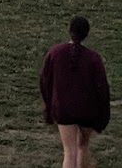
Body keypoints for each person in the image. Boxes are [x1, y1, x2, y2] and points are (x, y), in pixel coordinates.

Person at [41, 15, 110, 168]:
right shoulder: (93, 59)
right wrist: (103, 114)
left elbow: (45, 81)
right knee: (82, 146)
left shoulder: (55, 53)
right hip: (87, 110)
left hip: (64, 109)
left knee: (69, 151)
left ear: (70, 30)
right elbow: (102, 88)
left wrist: (50, 105)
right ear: (86, 34)